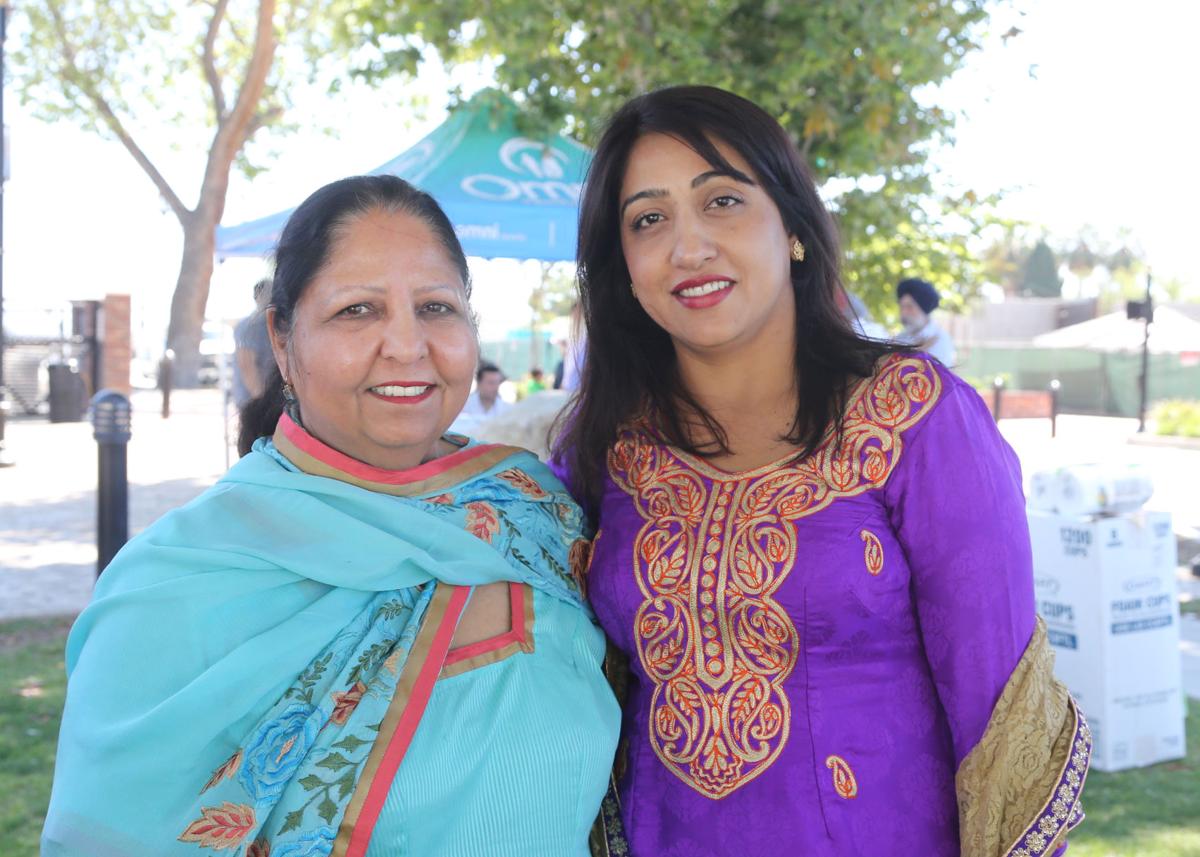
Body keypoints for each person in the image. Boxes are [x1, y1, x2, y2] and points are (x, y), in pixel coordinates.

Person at [552, 86, 1089, 857]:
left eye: (723, 201)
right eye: (647, 219)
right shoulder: (604, 449)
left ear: (793, 227)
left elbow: (999, 716)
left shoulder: (914, 416)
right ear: (624, 268)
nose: (688, 245)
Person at [43, 175, 619, 856]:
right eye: (357, 311)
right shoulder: (176, 581)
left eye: (436, 306)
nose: (407, 345)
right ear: (283, 343)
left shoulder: (537, 518)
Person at [231, 278, 276, 408]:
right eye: (268, 293)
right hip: (254, 403)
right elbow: (246, 365)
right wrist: (262, 400)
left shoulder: (271, 323)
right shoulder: (251, 326)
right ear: (258, 297)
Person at [896, 276, 957, 367]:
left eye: (909, 307)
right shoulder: (900, 338)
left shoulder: (940, 339)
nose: (904, 312)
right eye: (902, 307)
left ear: (923, 308)